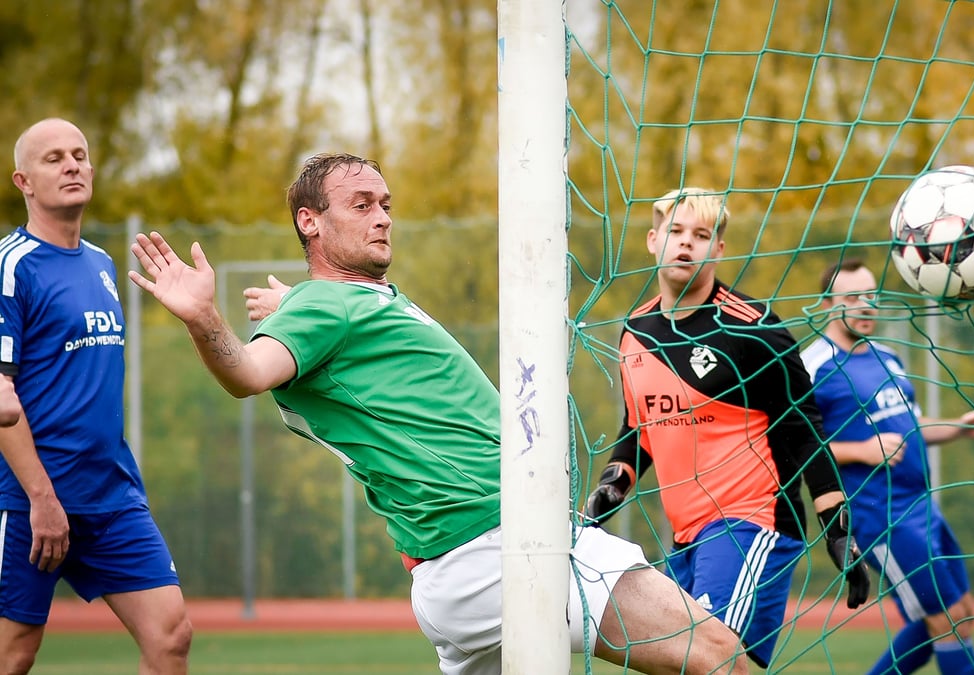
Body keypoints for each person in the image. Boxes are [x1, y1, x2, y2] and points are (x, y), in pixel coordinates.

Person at [130, 153, 750, 675]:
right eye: (361, 204)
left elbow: (350, 337)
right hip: (497, 545)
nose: (381, 217)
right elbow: (246, 371)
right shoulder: (325, 307)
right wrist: (203, 315)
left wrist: (295, 300)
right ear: (309, 222)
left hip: (463, 564)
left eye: (385, 203)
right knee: (716, 652)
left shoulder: (345, 303)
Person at [582, 187, 871, 668]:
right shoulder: (635, 331)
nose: (686, 243)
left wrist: (838, 531)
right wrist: (605, 495)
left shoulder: (753, 327)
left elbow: (804, 430)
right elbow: (640, 429)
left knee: (699, 653)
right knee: (720, 664)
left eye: (700, 235)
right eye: (676, 232)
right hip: (686, 536)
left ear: (717, 248)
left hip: (751, 524)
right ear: (654, 241)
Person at [0, 118, 191, 674]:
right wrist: (42, 499)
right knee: (14, 655)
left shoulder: (104, 265)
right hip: (30, 499)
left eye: (80, 154)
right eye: (54, 157)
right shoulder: (11, 266)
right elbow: (1, 396)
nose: (72, 165)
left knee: (171, 636)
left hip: (111, 495)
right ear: (24, 181)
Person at [800, 259, 974, 675]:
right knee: (943, 619)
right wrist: (861, 450)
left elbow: (912, 427)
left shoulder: (889, 358)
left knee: (960, 611)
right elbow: (794, 447)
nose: (866, 305)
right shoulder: (813, 365)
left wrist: (958, 429)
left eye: (871, 295)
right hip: (878, 514)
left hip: (922, 504)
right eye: (852, 297)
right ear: (826, 304)